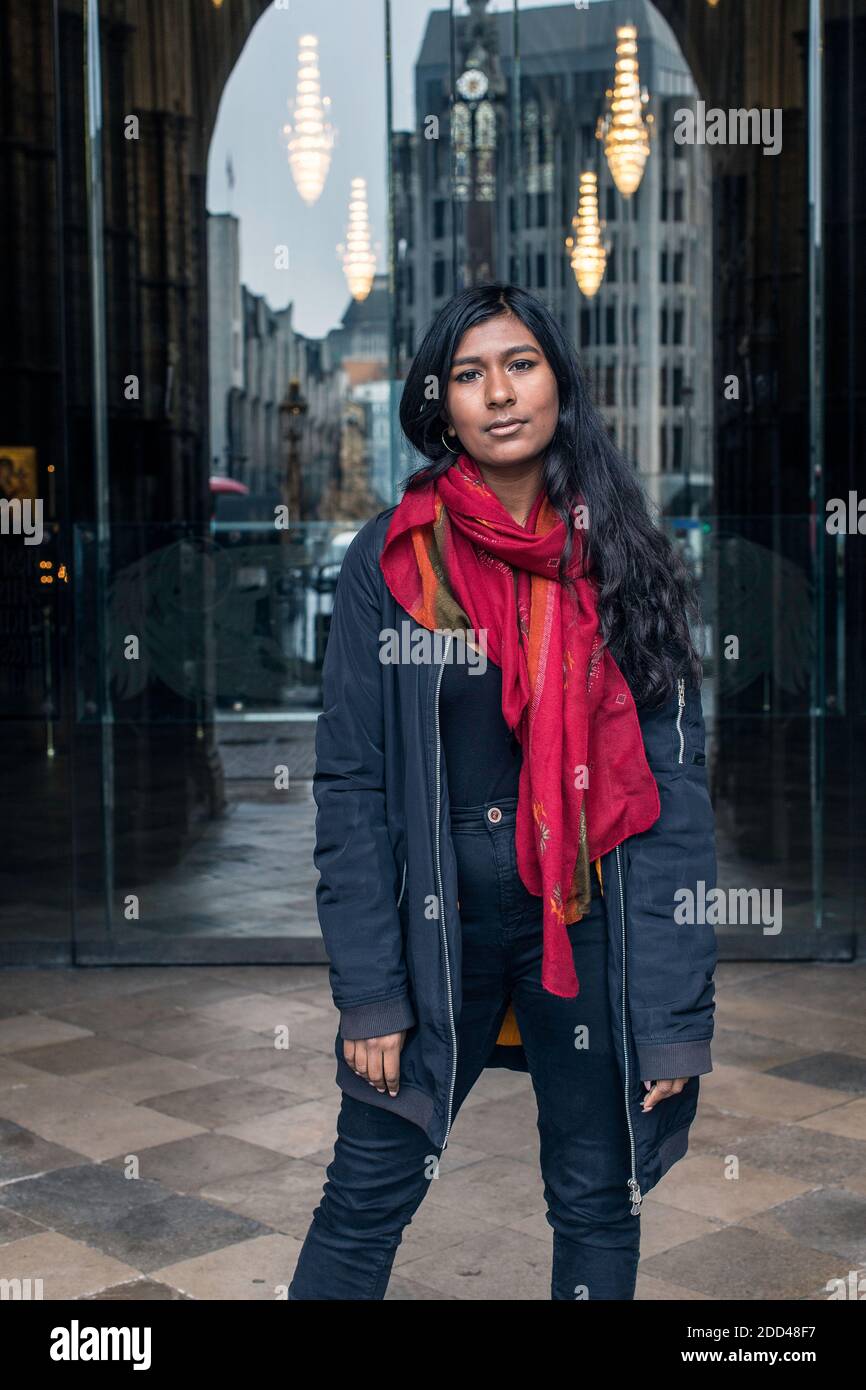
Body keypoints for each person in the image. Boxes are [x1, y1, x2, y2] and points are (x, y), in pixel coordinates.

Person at [289, 283, 717, 1301]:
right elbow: (350, 785)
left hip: (587, 927)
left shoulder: (618, 556)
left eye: (519, 364)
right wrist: (369, 992)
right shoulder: (393, 557)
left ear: (559, 383)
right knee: (364, 1193)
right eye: (468, 373)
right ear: (441, 406)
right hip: (439, 932)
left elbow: (671, 799)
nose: (497, 392)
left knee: (594, 1194)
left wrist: (671, 1014)